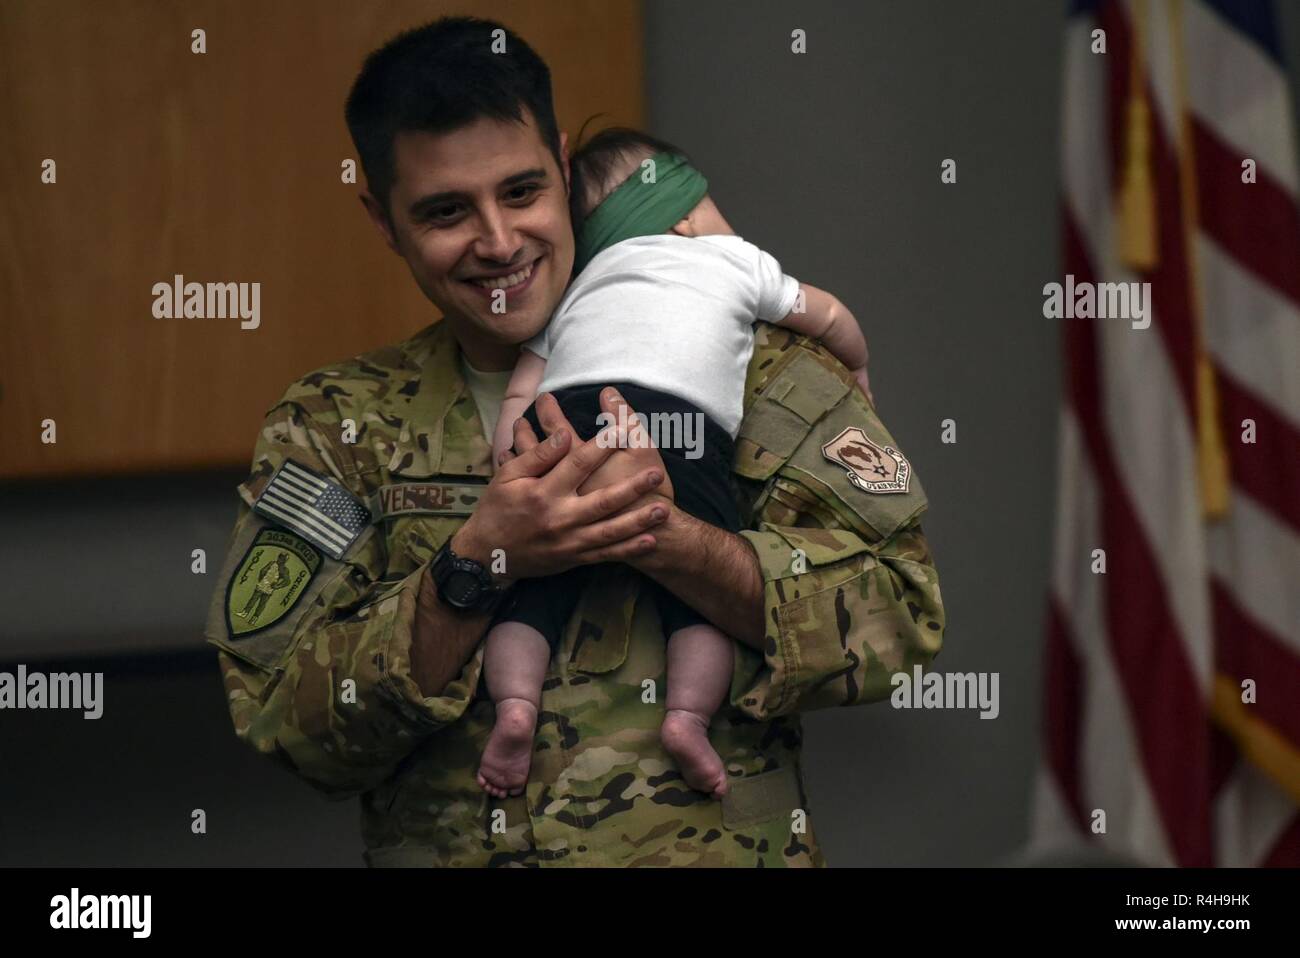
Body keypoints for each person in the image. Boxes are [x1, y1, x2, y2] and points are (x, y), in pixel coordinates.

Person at [204, 15, 945, 867]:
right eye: (447, 211)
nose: (498, 242)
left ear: (562, 167)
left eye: (521, 192)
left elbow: (904, 620)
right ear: (382, 217)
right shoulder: (339, 425)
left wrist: (672, 539)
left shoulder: (756, 369)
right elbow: (287, 726)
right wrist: (478, 565)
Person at [477, 127, 872, 802]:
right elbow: (825, 313)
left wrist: (513, 451)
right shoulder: (735, 260)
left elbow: (526, 379)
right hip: (680, 429)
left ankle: (514, 707)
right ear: (687, 213)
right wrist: (859, 361)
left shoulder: (577, 287)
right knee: (697, 603)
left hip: (568, 420)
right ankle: (687, 719)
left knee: (535, 585)